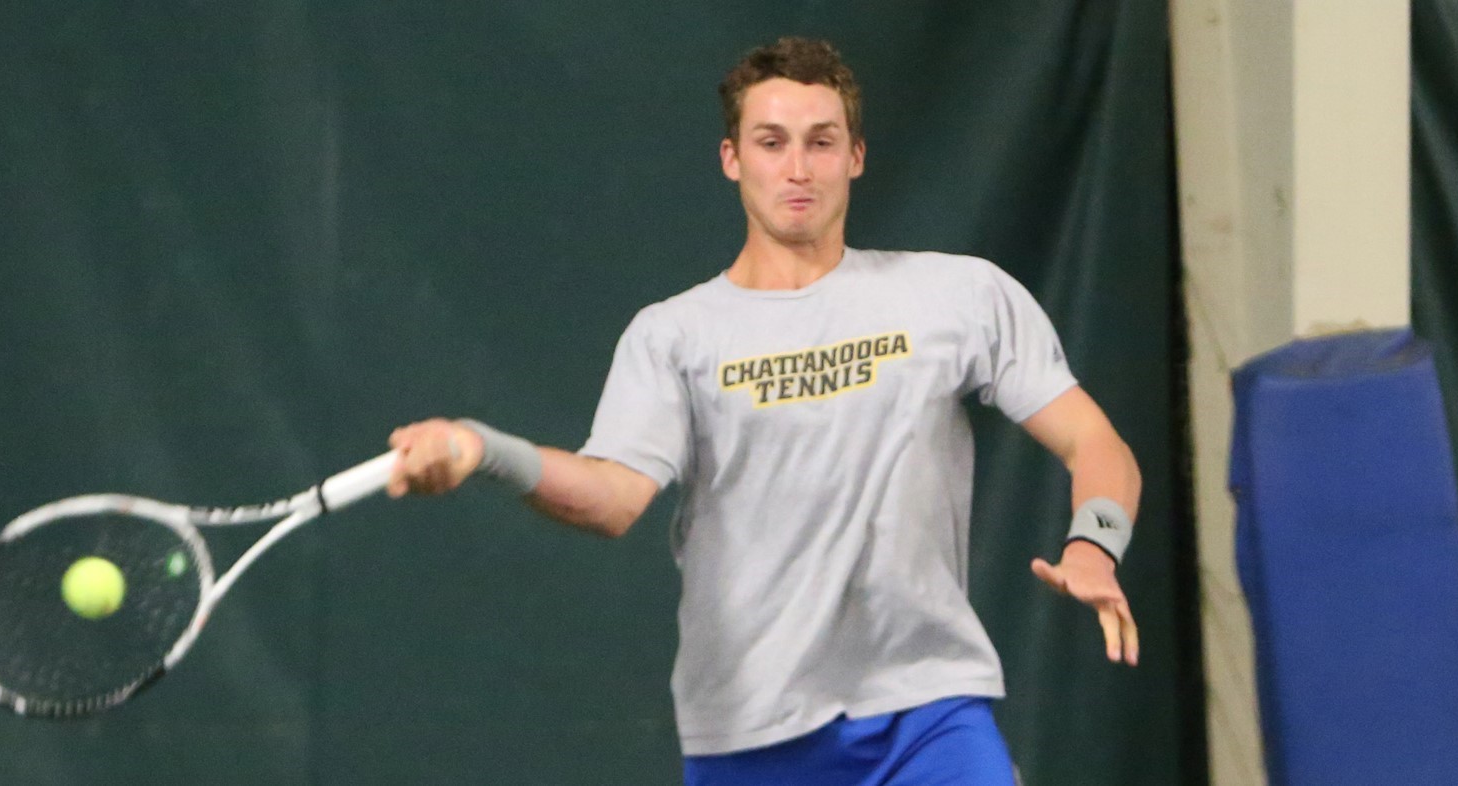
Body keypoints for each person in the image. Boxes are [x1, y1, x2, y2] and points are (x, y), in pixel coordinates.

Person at [387, 36, 1140, 786]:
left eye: (821, 142)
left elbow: (1094, 443)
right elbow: (611, 499)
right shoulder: (673, 335)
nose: (798, 168)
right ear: (732, 159)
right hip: (750, 732)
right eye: (771, 142)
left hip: (929, 709)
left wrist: (1093, 547)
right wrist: (481, 448)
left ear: (856, 156)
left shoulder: (959, 296)